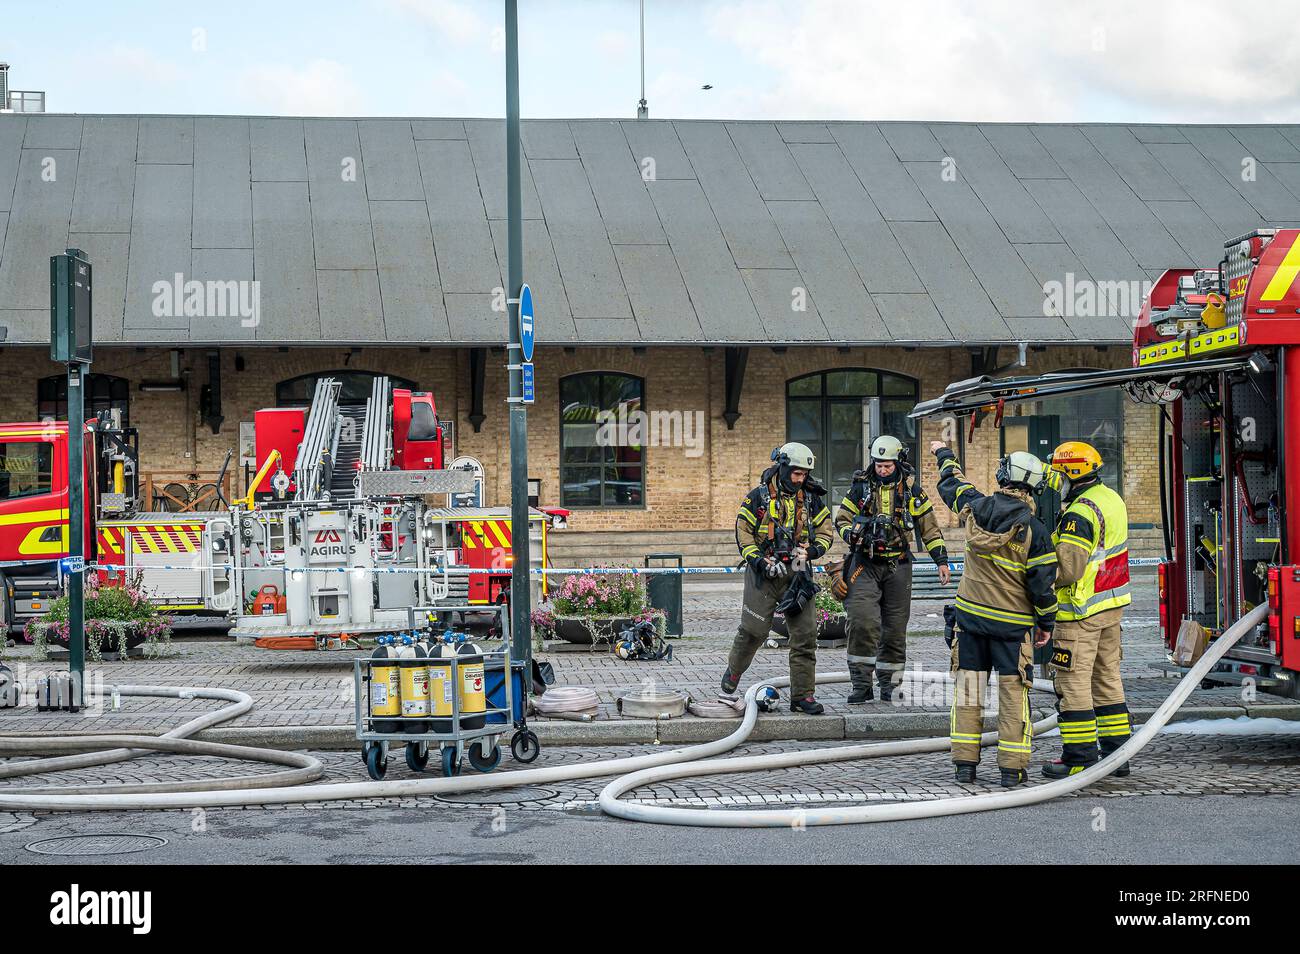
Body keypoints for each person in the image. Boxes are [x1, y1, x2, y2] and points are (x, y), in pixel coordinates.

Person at [932, 440, 1058, 787]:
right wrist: (1046, 622)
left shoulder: (974, 507)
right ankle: (1011, 770)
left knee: (969, 693)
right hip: (1012, 630)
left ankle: (965, 766)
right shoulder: (1035, 530)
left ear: (1003, 476)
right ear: (1032, 487)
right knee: (1013, 698)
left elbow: (950, 484)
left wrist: (943, 452)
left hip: (969, 623)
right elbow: (1041, 588)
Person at [1040, 441, 1133, 779]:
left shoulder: (1080, 512)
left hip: (1079, 614)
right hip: (1110, 608)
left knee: (1072, 684)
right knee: (1107, 678)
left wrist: (1036, 575)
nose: (1055, 481)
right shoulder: (1111, 499)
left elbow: (1069, 568)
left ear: (1072, 473)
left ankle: (1078, 758)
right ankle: (1117, 756)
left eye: (1058, 473)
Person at [833, 435, 949, 703]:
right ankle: (861, 685)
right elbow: (842, 519)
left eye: (887, 466)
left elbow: (930, 528)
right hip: (864, 564)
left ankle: (890, 685)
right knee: (862, 622)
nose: (882, 470)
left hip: (899, 565)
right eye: (878, 465)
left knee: (894, 630)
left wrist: (941, 561)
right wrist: (852, 534)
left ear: (898, 463)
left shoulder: (912, 492)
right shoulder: (860, 488)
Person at [722, 442, 835, 714]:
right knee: (754, 631)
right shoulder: (757, 497)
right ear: (782, 467)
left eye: (804, 475)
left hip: (798, 574)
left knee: (806, 636)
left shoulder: (810, 498)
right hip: (764, 573)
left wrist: (814, 550)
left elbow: (826, 531)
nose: (800, 479)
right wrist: (759, 560)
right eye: (796, 474)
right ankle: (734, 671)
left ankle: (802, 697)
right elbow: (743, 532)